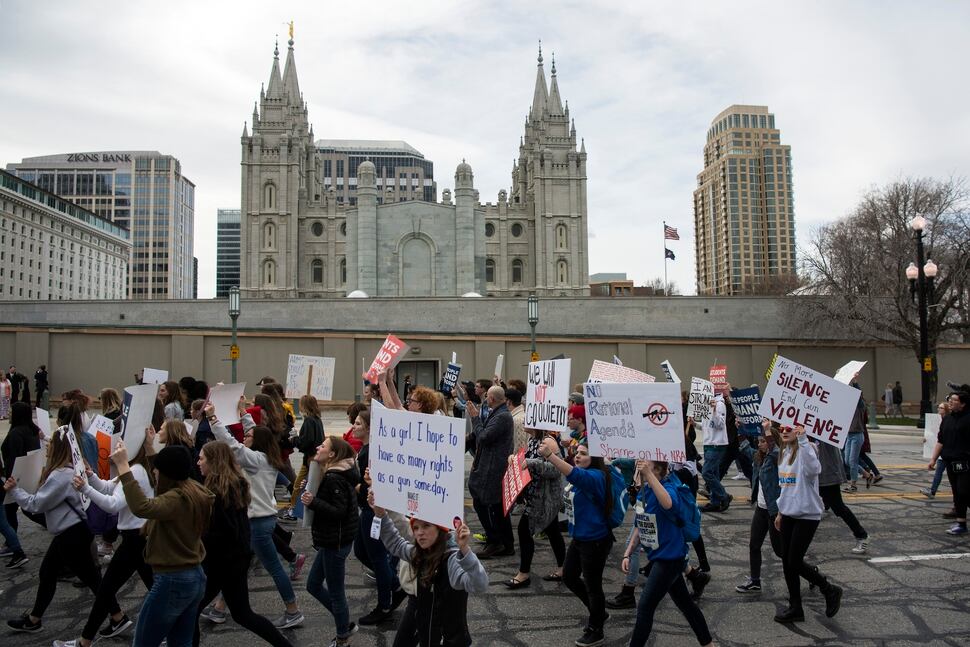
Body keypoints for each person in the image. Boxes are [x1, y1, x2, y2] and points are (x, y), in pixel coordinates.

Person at [54, 432, 157, 647]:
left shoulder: (135, 470)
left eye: (121, 443)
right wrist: (91, 477)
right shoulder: (135, 467)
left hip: (135, 539)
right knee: (155, 590)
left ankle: (85, 641)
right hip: (138, 537)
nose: (117, 446)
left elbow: (112, 504)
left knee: (107, 589)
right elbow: (110, 487)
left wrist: (84, 488)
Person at [210, 401, 305, 628]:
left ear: (258, 441)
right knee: (237, 565)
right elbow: (252, 432)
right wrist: (244, 414)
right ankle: (219, 608)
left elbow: (232, 445)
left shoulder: (256, 461)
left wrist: (214, 419)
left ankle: (293, 610)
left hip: (258, 523)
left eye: (249, 436)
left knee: (272, 567)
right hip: (259, 521)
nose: (246, 437)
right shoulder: (263, 458)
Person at [111, 443, 214, 646]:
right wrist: (149, 448)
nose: (153, 472)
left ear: (166, 473)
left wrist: (123, 466)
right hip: (193, 577)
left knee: (143, 643)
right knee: (180, 642)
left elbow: (142, 507)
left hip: (173, 580)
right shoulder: (192, 489)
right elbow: (171, 465)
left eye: (157, 469)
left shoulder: (177, 499)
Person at [4, 426, 105, 633]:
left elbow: (35, 504)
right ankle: (34, 619)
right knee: (49, 573)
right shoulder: (71, 469)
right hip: (74, 531)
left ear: (58, 448)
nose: (47, 447)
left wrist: (15, 490)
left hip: (71, 534)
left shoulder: (60, 475)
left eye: (50, 445)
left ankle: (117, 615)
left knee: (91, 579)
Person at [192, 440, 293, 647]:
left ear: (214, 462)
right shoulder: (231, 484)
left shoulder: (220, 493)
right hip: (234, 561)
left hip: (221, 564)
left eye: (201, 458)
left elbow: (223, 533)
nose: (198, 462)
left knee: (191, 611)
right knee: (242, 614)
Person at [368, 491, 488, 647]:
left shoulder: (452, 560)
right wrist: (381, 514)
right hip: (428, 637)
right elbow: (395, 543)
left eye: (426, 526)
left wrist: (465, 551)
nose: (419, 532)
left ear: (440, 530)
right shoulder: (419, 554)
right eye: (416, 527)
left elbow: (480, 585)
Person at [623, 460, 714, 647]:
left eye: (646, 467)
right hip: (660, 556)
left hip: (670, 558)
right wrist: (628, 552)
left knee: (645, 607)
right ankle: (708, 643)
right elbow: (641, 523)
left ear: (658, 470)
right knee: (686, 604)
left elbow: (669, 504)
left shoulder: (669, 487)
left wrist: (648, 475)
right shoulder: (644, 492)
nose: (640, 469)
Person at [539, 435, 616, 647]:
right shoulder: (584, 474)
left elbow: (573, 474)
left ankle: (596, 629)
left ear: (596, 457)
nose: (578, 457)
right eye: (577, 453)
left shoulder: (597, 476)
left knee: (593, 586)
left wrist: (551, 456)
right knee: (570, 577)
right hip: (580, 537)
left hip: (596, 540)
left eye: (583, 454)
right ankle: (598, 613)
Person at [774, 425, 843, 623]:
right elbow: (785, 486)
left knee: (794, 561)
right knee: (787, 562)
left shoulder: (808, 448)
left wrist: (803, 439)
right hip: (788, 513)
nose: (785, 430)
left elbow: (814, 470)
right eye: (782, 428)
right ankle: (796, 607)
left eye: (790, 428)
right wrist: (780, 512)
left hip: (807, 515)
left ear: (799, 430)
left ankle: (829, 589)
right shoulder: (784, 452)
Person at [300, 436, 360, 647]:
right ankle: (344, 622)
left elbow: (339, 512)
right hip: (331, 541)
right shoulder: (333, 473)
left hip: (336, 542)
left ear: (333, 454)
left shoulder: (334, 477)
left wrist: (313, 502)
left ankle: (343, 637)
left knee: (336, 593)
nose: (318, 447)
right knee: (313, 585)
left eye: (323, 446)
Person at [351, 408, 407, 625]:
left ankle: (384, 605)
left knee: (376, 558)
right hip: (366, 509)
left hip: (371, 509)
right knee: (360, 551)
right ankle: (395, 584)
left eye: (357, 423)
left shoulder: (369, 452)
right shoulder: (365, 449)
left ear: (369, 428)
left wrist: (356, 487)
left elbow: (373, 487)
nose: (353, 427)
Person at [505, 426, 566, 589]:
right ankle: (563, 569)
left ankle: (524, 574)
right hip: (536, 495)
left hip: (546, 498)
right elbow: (526, 459)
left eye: (528, 418)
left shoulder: (548, 441)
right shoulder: (533, 440)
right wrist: (515, 458)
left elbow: (556, 469)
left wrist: (530, 463)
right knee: (553, 531)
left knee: (523, 530)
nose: (524, 420)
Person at [466, 385, 515, 559]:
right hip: (489, 465)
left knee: (489, 504)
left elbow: (484, 437)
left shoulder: (502, 416)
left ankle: (497, 541)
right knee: (492, 505)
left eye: (487, 397)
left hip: (493, 468)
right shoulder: (498, 413)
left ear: (492, 399)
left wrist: (475, 419)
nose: (486, 399)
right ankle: (502, 542)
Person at [735, 422, 782, 593]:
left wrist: (768, 430)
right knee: (754, 545)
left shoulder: (776, 458)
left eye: (763, 441)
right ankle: (755, 581)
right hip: (761, 509)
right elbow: (745, 447)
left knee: (781, 552)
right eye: (759, 441)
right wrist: (739, 428)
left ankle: (811, 572)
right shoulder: (758, 457)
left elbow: (775, 450)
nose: (760, 443)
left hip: (774, 510)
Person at [926, 391, 970, 535]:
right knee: (957, 493)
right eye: (949, 399)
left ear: (963, 404)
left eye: (954, 400)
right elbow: (941, 440)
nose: (950, 402)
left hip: (966, 462)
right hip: (950, 462)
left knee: (964, 492)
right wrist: (933, 459)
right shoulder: (947, 419)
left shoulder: (968, 419)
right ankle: (961, 524)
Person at [0, 401, 38, 567]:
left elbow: (14, 458)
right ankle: (11, 544)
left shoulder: (16, 433)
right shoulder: (32, 430)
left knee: (8, 513)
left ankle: (13, 546)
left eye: (11, 411)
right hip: (27, 476)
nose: (8, 413)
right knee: (14, 511)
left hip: (14, 478)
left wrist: (9, 479)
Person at [698, 394, 730, 512]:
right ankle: (715, 502)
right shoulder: (707, 404)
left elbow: (720, 424)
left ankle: (723, 495)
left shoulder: (720, 404)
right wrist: (695, 424)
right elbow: (708, 426)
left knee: (706, 473)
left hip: (716, 444)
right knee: (714, 474)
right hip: (709, 444)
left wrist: (715, 410)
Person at [922, 401, 952, 498]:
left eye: (941, 408)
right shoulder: (937, 421)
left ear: (946, 410)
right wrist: (927, 439)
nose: (939, 409)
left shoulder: (950, 420)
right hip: (942, 452)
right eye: (938, 407)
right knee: (938, 472)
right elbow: (935, 437)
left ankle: (959, 493)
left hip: (950, 452)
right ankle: (932, 491)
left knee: (954, 476)